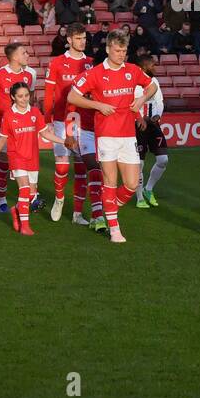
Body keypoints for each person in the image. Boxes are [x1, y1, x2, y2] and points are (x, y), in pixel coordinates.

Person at [67, 29, 160, 244]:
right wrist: (97, 105)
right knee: (110, 181)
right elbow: (73, 96)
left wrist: (141, 100)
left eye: (124, 50)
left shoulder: (133, 70)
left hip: (128, 135)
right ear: (108, 49)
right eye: (117, 50)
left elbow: (153, 86)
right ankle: (114, 228)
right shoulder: (95, 74)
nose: (121, 54)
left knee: (130, 183)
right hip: (107, 135)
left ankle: (109, 208)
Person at [44, 23, 99, 225]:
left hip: (83, 123)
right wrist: (46, 120)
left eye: (84, 38)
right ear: (68, 40)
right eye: (78, 38)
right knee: (62, 167)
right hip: (60, 121)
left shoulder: (91, 64)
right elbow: (49, 94)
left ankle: (77, 213)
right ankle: (59, 198)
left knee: (82, 169)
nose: (82, 41)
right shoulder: (57, 63)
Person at [0, 81, 71, 235]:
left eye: (26, 95)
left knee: (31, 195)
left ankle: (16, 210)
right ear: (13, 97)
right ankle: (25, 226)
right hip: (16, 157)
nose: (24, 99)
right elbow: (2, 138)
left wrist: (63, 141)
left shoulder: (35, 112)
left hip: (32, 158)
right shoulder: (9, 115)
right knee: (24, 190)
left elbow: (45, 133)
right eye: (20, 96)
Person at [0, 41, 38, 212]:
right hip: (5, 127)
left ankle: (31, 197)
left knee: (27, 162)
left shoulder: (29, 75)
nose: (27, 55)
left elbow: (29, 100)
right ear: (15, 57)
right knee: (3, 164)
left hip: (24, 128)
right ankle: (2, 199)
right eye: (24, 53)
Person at [135, 54, 172, 208]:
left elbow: (159, 102)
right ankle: (139, 198)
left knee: (163, 159)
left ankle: (148, 189)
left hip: (153, 125)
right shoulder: (135, 83)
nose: (155, 67)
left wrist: (158, 115)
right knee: (140, 164)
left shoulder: (154, 81)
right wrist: (142, 118)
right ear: (144, 66)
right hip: (138, 126)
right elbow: (133, 105)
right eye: (153, 65)